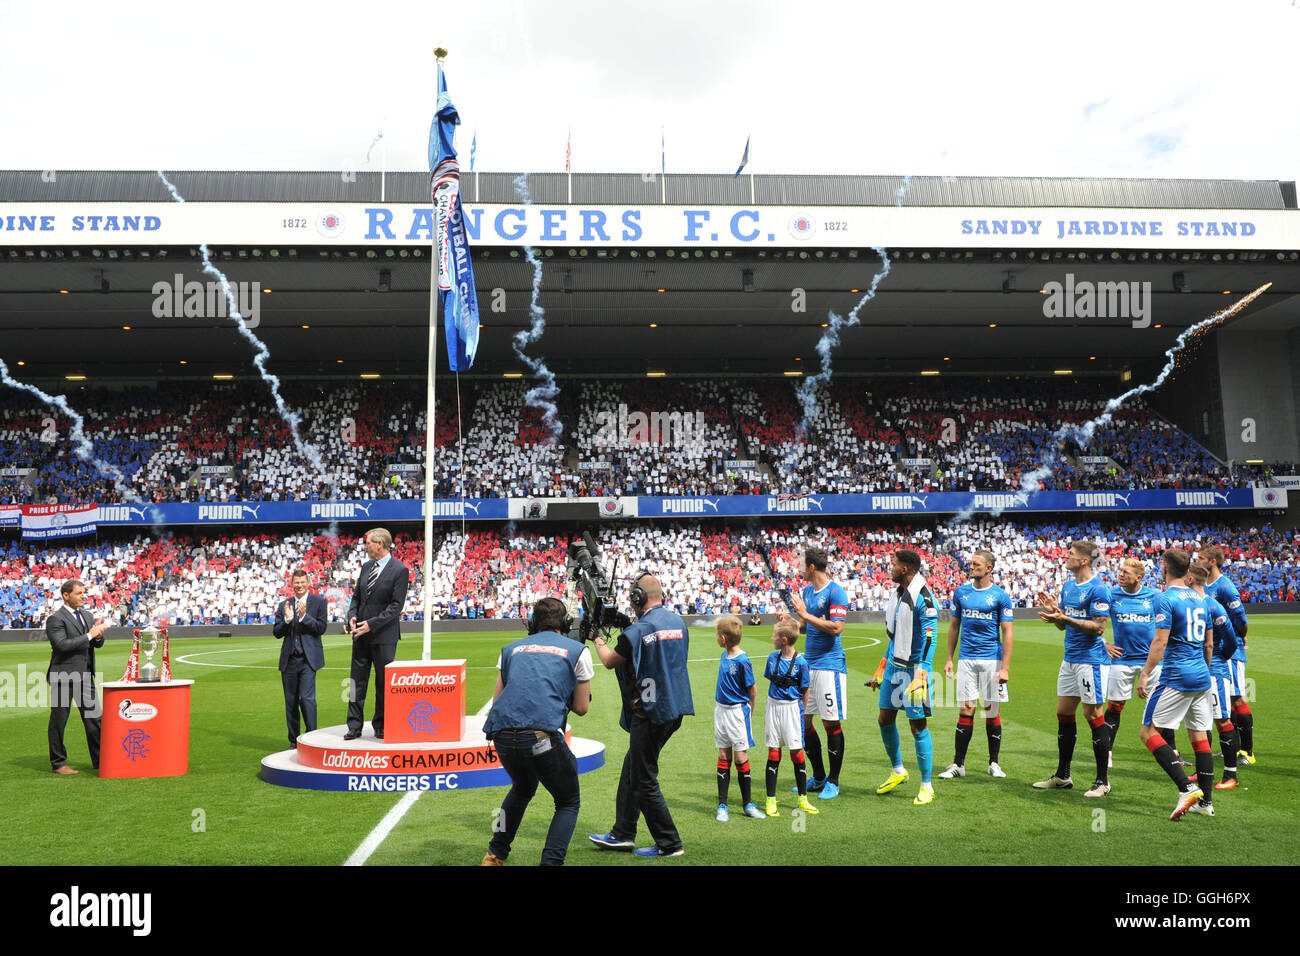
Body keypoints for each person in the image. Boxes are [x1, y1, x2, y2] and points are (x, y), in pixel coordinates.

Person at [481, 597, 592, 866]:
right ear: (566, 623)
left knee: (521, 787)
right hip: (541, 736)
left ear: (532, 624)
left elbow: (497, 702)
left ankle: (494, 855)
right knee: (568, 801)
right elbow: (581, 708)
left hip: (503, 736)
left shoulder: (510, 649)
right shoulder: (577, 650)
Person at [589, 572, 693, 858]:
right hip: (674, 707)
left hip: (649, 711)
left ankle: (670, 843)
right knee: (633, 768)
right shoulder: (677, 622)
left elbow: (610, 661)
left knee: (643, 778)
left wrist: (596, 637)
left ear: (638, 598)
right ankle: (623, 833)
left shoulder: (638, 631)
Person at [1033, 539, 1120, 797]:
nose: (1065, 557)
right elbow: (1065, 625)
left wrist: (1065, 617)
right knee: (1063, 713)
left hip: (1090, 661)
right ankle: (1063, 776)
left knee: (1093, 716)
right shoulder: (1069, 586)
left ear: (1084, 560)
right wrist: (1055, 614)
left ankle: (1102, 781)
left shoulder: (1099, 589)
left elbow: (1099, 628)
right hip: (1070, 658)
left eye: (1070, 554)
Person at [1137, 549, 1216, 820]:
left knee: (1148, 732)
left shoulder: (1165, 599)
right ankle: (1206, 802)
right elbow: (1209, 644)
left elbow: (1160, 642)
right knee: (1199, 736)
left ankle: (1186, 788)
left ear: (1164, 568)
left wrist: (1146, 673)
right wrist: (1203, 670)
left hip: (1177, 675)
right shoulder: (1201, 599)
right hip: (1202, 676)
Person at [938, 549, 1014, 780]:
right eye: (971, 563)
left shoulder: (1000, 596)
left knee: (992, 711)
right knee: (966, 709)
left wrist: (1005, 668)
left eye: (976, 564)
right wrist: (950, 658)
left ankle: (994, 763)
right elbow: (954, 627)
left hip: (992, 659)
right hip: (967, 659)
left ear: (989, 568)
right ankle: (958, 764)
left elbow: (1007, 632)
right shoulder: (961, 593)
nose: (971, 567)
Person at [779, 547, 848, 800]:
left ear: (811, 567)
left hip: (830, 665)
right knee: (805, 723)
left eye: (801, 563)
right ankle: (818, 777)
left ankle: (834, 781)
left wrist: (805, 615)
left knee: (831, 723)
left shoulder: (835, 592)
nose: (798, 567)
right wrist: (792, 621)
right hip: (810, 665)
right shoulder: (808, 592)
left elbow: (836, 628)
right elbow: (807, 626)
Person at [873, 549, 940, 806]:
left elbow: (931, 638)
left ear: (904, 569)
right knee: (884, 718)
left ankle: (926, 785)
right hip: (893, 665)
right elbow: (895, 635)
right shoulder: (899, 594)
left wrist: (922, 670)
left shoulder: (924, 597)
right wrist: (882, 665)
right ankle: (898, 770)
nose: (890, 568)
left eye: (893, 565)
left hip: (915, 668)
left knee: (917, 725)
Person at [344, 528, 410, 740]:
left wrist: (371, 624)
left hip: (384, 637)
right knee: (355, 683)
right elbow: (356, 597)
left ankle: (380, 726)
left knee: (383, 684)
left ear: (380, 544)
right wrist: (352, 616)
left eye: (368, 543)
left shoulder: (399, 570)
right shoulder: (366, 567)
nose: (365, 546)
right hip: (360, 635)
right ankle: (354, 726)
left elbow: (395, 606)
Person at [1188, 563, 1242, 791]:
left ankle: (1231, 773)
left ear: (1190, 579)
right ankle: (1203, 769)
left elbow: (1231, 639)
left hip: (1215, 672)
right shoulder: (1189, 604)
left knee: (1222, 719)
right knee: (1201, 722)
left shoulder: (1214, 606)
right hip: (1196, 670)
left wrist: (1219, 660)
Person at [1102, 557, 1159, 768]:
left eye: (1126, 572)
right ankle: (1106, 751)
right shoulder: (1111, 594)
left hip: (1151, 663)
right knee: (1115, 706)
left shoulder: (1153, 596)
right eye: (1121, 571)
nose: (1121, 574)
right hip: (1121, 660)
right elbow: (1093, 620)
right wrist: (1103, 643)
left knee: (1160, 707)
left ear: (1139, 577)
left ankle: (1170, 750)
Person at [47, 579, 108, 775]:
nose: (83, 596)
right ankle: (58, 763)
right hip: (63, 675)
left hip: (84, 676)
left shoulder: (88, 615)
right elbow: (62, 645)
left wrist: (98, 637)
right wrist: (90, 636)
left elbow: (94, 644)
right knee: (59, 720)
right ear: (66, 596)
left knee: (94, 719)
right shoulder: (55, 619)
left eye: (84, 592)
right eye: (79, 593)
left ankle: (101, 761)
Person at [1200, 544, 1253, 765]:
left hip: (1229, 650)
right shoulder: (1207, 585)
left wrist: (1240, 638)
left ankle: (1247, 752)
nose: (1198, 560)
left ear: (1212, 561)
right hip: (1217, 650)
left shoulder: (1225, 587)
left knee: (1237, 696)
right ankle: (1231, 747)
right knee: (1224, 700)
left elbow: (1240, 619)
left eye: (1201, 558)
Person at [763, 619, 819, 818]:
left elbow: (805, 690)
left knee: (797, 753)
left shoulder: (802, 663)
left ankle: (803, 799)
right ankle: (770, 800)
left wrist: (801, 713)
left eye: (775, 636)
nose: (772, 638)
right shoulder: (772, 658)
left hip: (792, 709)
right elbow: (771, 677)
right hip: (773, 707)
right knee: (773, 752)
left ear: (784, 640)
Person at [712, 615, 763, 822]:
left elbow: (753, 689)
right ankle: (722, 805)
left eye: (717, 635)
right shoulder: (725, 655)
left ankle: (747, 804)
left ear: (723, 638)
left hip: (737, 713)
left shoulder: (743, 660)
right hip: (721, 711)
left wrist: (749, 711)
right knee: (724, 756)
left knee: (740, 758)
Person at [273, 568, 328, 749]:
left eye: (302, 582)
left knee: (306, 699)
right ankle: (294, 741)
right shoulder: (284, 605)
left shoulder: (319, 602)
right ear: (292, 584)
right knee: (291, 701)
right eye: (296, 583)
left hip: (308, 659)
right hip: (289, 660)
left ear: (308, 583)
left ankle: (312, 738)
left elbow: (321, 628)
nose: (299, 585)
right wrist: (287, 621)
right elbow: (276, 632)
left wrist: (304, 617)